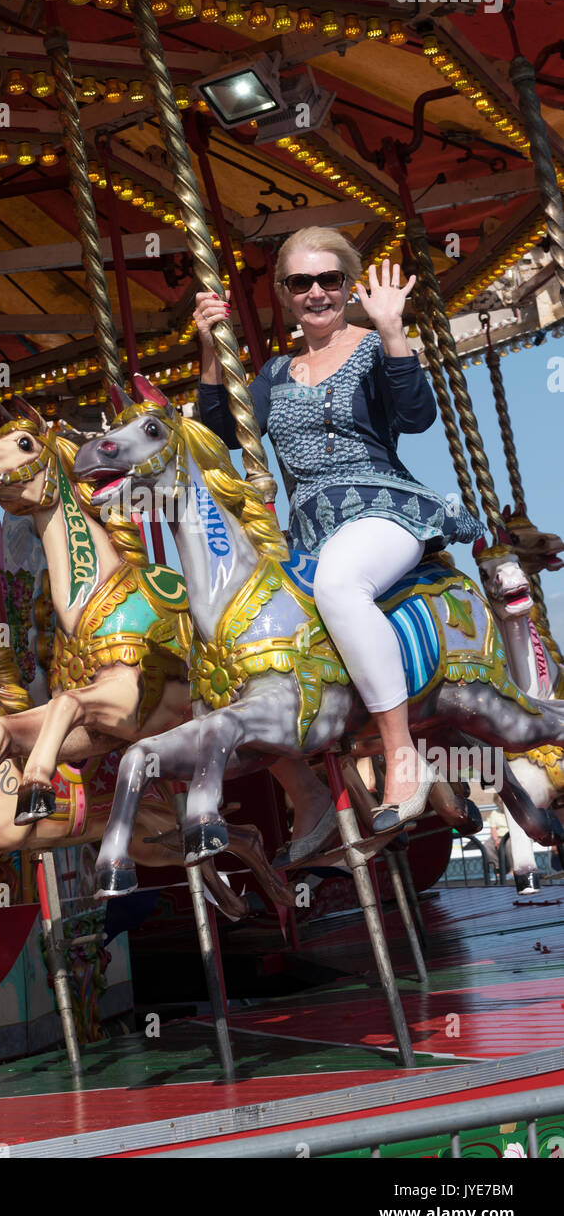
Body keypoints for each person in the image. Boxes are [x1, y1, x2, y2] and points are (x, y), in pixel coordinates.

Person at [196, 226, 485, 840]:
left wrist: (391, 329)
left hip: (384, 509)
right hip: (310, 527)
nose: (318, 293)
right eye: (302, 283)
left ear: (349, 286)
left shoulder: (374, 348)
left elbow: (417, 417)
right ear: (284, 293)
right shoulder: (275, 374)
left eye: (331, 280)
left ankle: (402, 753)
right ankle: (315, 791)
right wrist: (208, 346)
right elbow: (218, 434)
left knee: (339, 586)